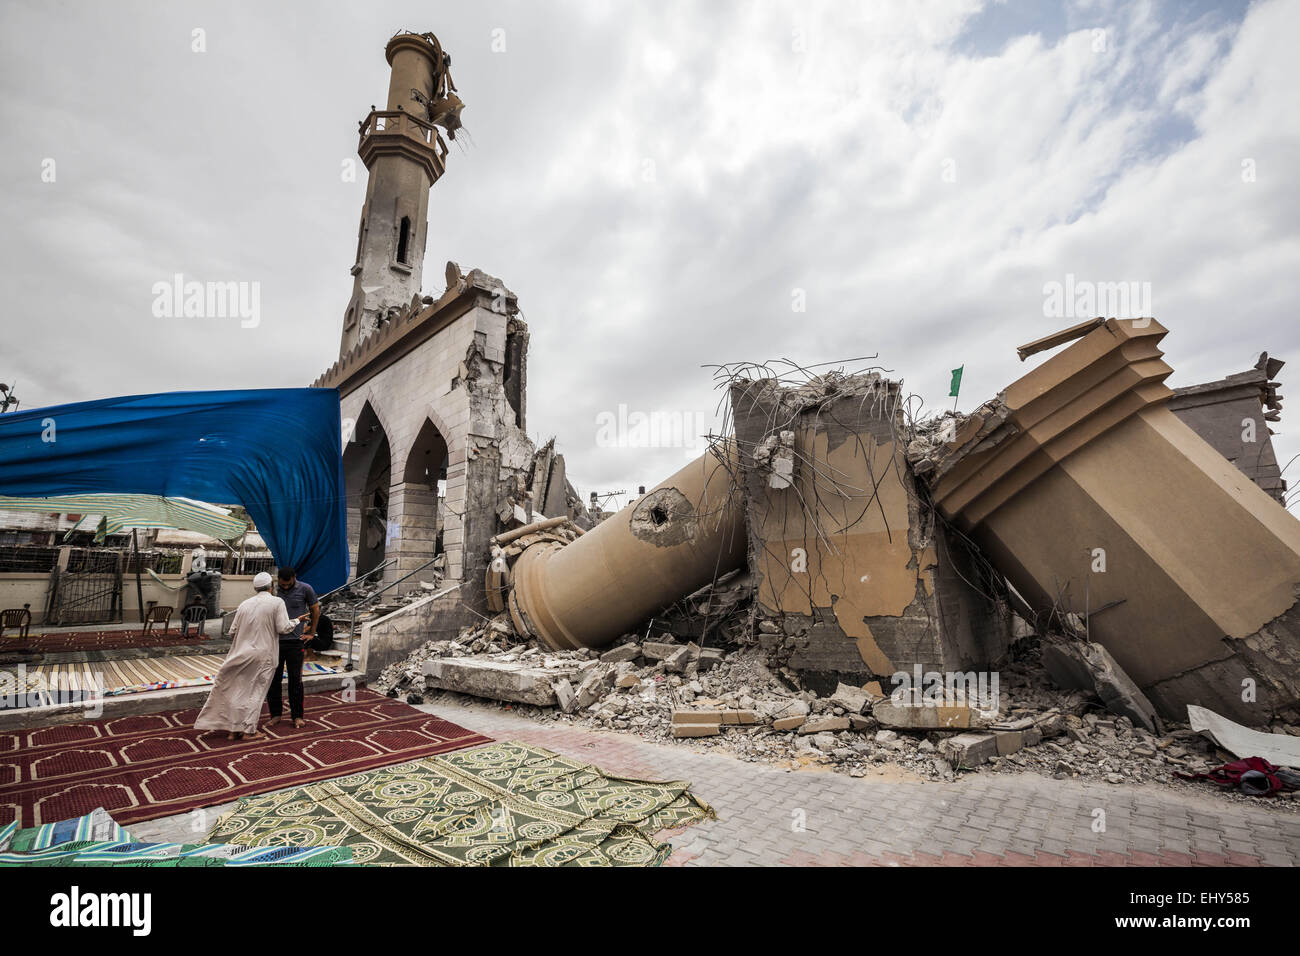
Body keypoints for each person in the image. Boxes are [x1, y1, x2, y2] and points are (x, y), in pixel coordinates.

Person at [195, 572, 307, 741]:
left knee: (238, 692)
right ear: (271, 587)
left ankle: (233, 729)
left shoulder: (244, 604)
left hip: (241, 653)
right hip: (264, 655)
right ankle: (249, 731)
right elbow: (283, 628)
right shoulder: (277, 602)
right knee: (256, 692)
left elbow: (232, 631)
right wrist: (297, 621)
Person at [267, 566, 319, 729]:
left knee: (295, 680)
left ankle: (297, 716)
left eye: (288, 585)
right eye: (283, 585)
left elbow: (315, 610)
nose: (286, 588)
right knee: (273, 680)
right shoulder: (272, 591)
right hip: (275, 642)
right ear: (278, 581)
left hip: (295, 643)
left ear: (294, 577)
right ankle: (275, 714)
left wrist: (311, 632)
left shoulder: (306, 589)